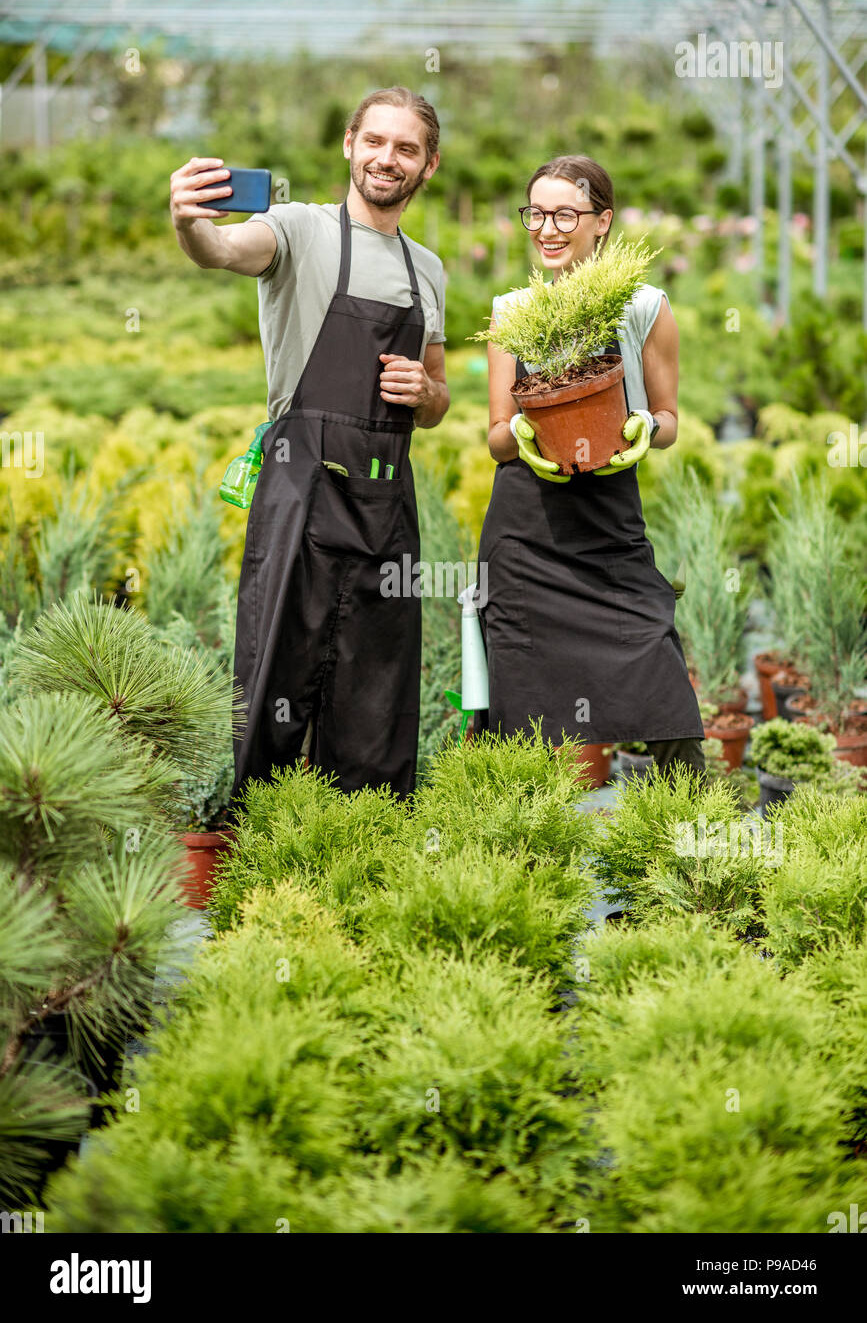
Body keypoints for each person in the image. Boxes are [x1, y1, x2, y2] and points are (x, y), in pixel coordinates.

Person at [169, 86, 450, 802]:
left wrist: (426, 395)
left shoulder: (429, 271)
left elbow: (437, 402)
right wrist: (190, 221)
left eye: (406, 149)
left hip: (385, 503)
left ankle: (363, 844)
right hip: (302, 492)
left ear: (429, 166)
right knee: (276, 678)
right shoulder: (297, 228)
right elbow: (222, 249)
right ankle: (258, 846)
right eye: (376, 141)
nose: (388, 158)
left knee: (377, 695)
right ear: (350, 144)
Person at [476, 154, 705, 776]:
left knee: (664, 693)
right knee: (521, 718)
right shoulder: (512, 310)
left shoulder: (644, 306)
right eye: (536, 214)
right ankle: (520, 858)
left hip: (609, 532)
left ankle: (691, 847)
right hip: (527, 536)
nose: (547, 229)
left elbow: (670, 420)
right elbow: (496, 435)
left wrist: (646, 428)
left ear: (601, 222)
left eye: (564, 214)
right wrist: (521, 432)